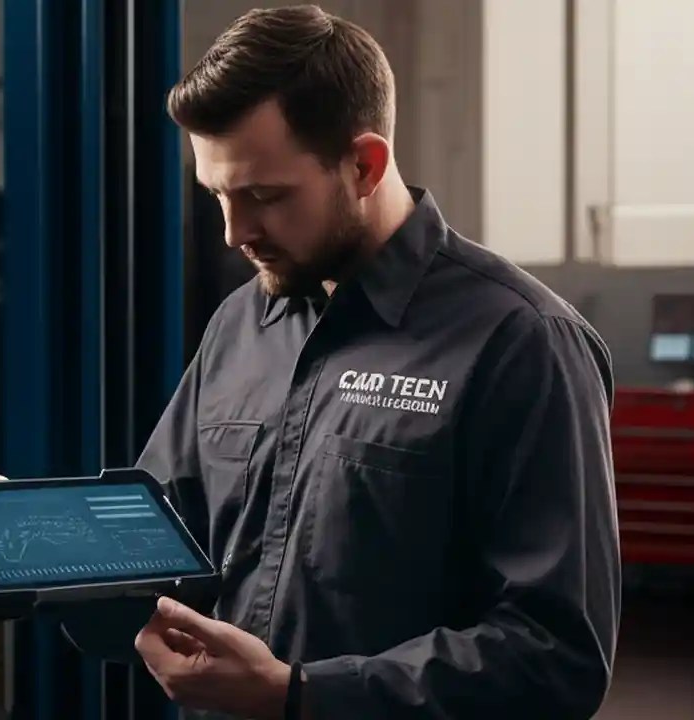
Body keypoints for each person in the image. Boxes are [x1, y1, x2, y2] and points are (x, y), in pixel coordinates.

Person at [131, 5, 620, 719]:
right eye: (218, 197)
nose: (235, 233)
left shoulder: (522, 341)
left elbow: (555, 655)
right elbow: (158, 529)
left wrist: (299, 696)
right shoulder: (242, 321)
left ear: (364, 165)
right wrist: (30, 546)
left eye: (264, 196)